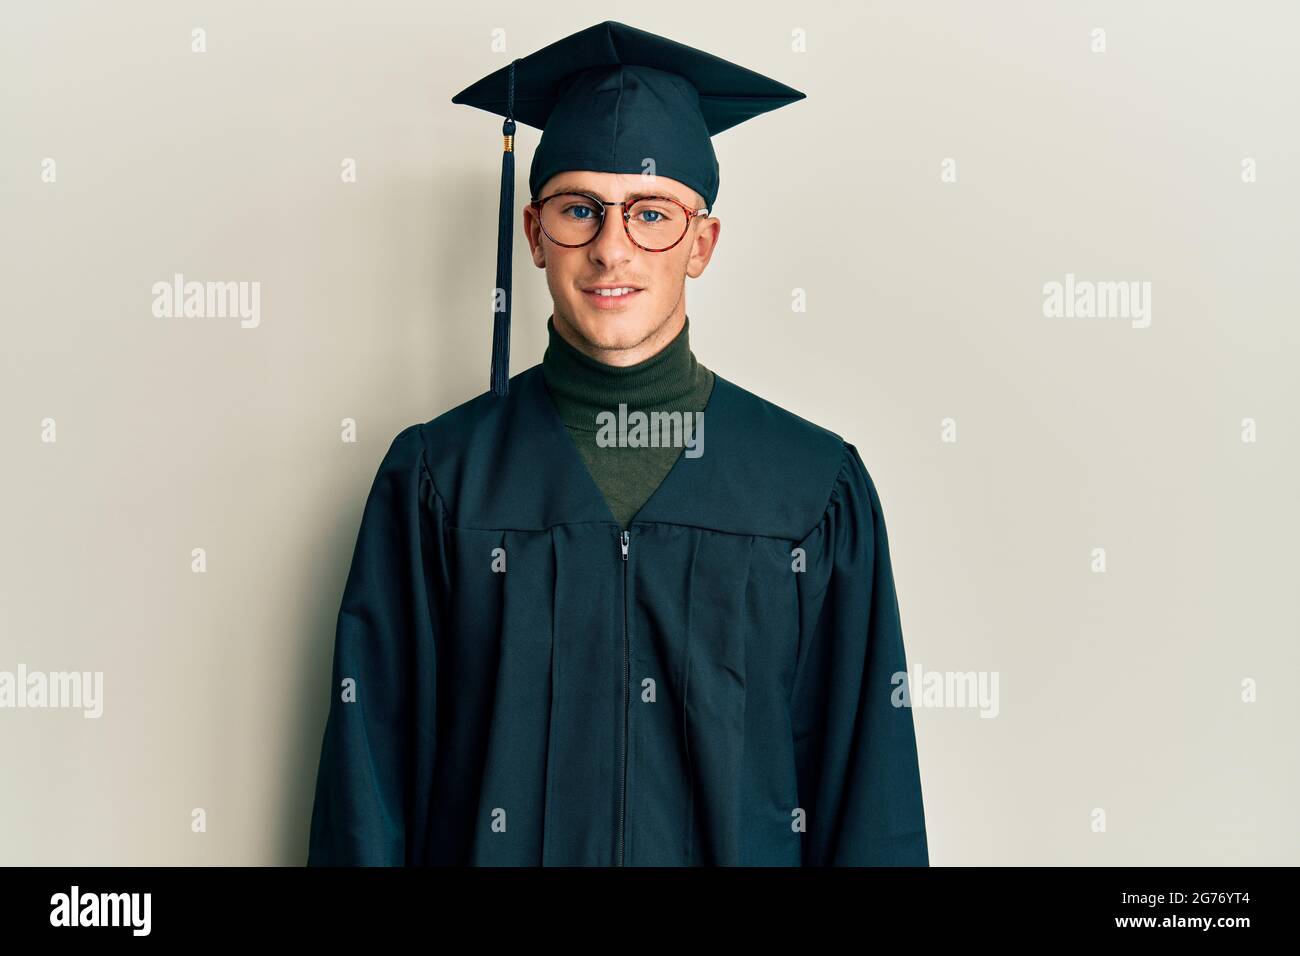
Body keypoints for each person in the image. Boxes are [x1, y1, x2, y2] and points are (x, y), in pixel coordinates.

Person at [307, 20, 929, 866]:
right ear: (534, 233)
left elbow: (869, 802)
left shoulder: (811, 490)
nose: (610, 248)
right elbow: (367, 792)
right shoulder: (439, 481)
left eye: (650, 215)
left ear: (701, 245)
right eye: (578, 211)